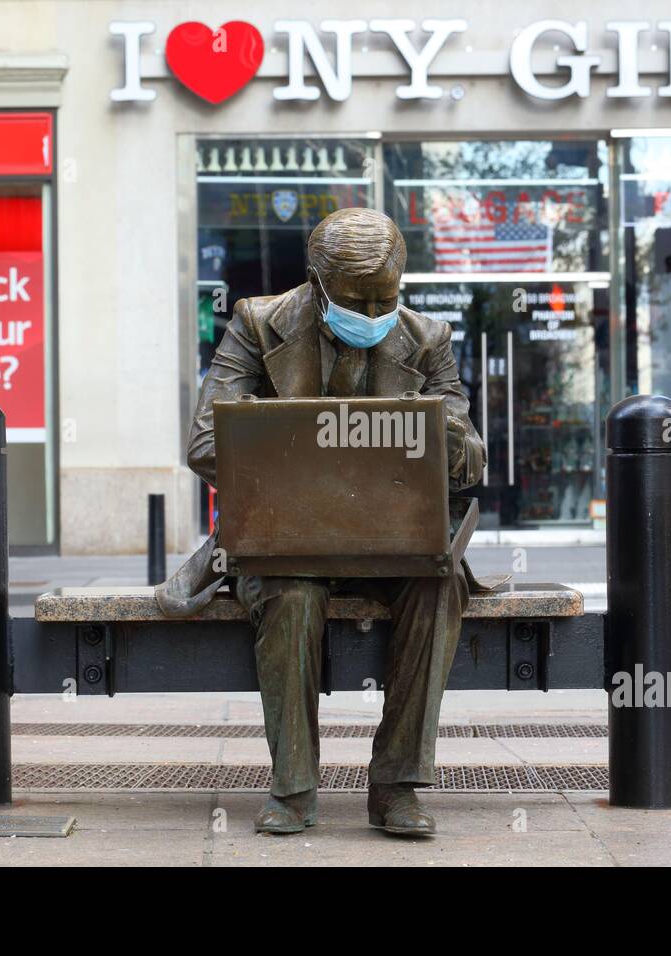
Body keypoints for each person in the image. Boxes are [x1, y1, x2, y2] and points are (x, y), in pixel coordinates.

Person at [155, 207, 495, 837]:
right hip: (287, 536)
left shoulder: (428, 337)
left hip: (394, 542)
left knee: (439, 584)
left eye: (384, 299)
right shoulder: (258, 325)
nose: (370, 315)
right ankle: (293, 786)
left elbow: (472, 461)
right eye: (354, 300)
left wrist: (448, 434)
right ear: (316, 282)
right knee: (290, 594)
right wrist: (286, 442)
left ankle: (398, 786)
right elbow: (204, 443)